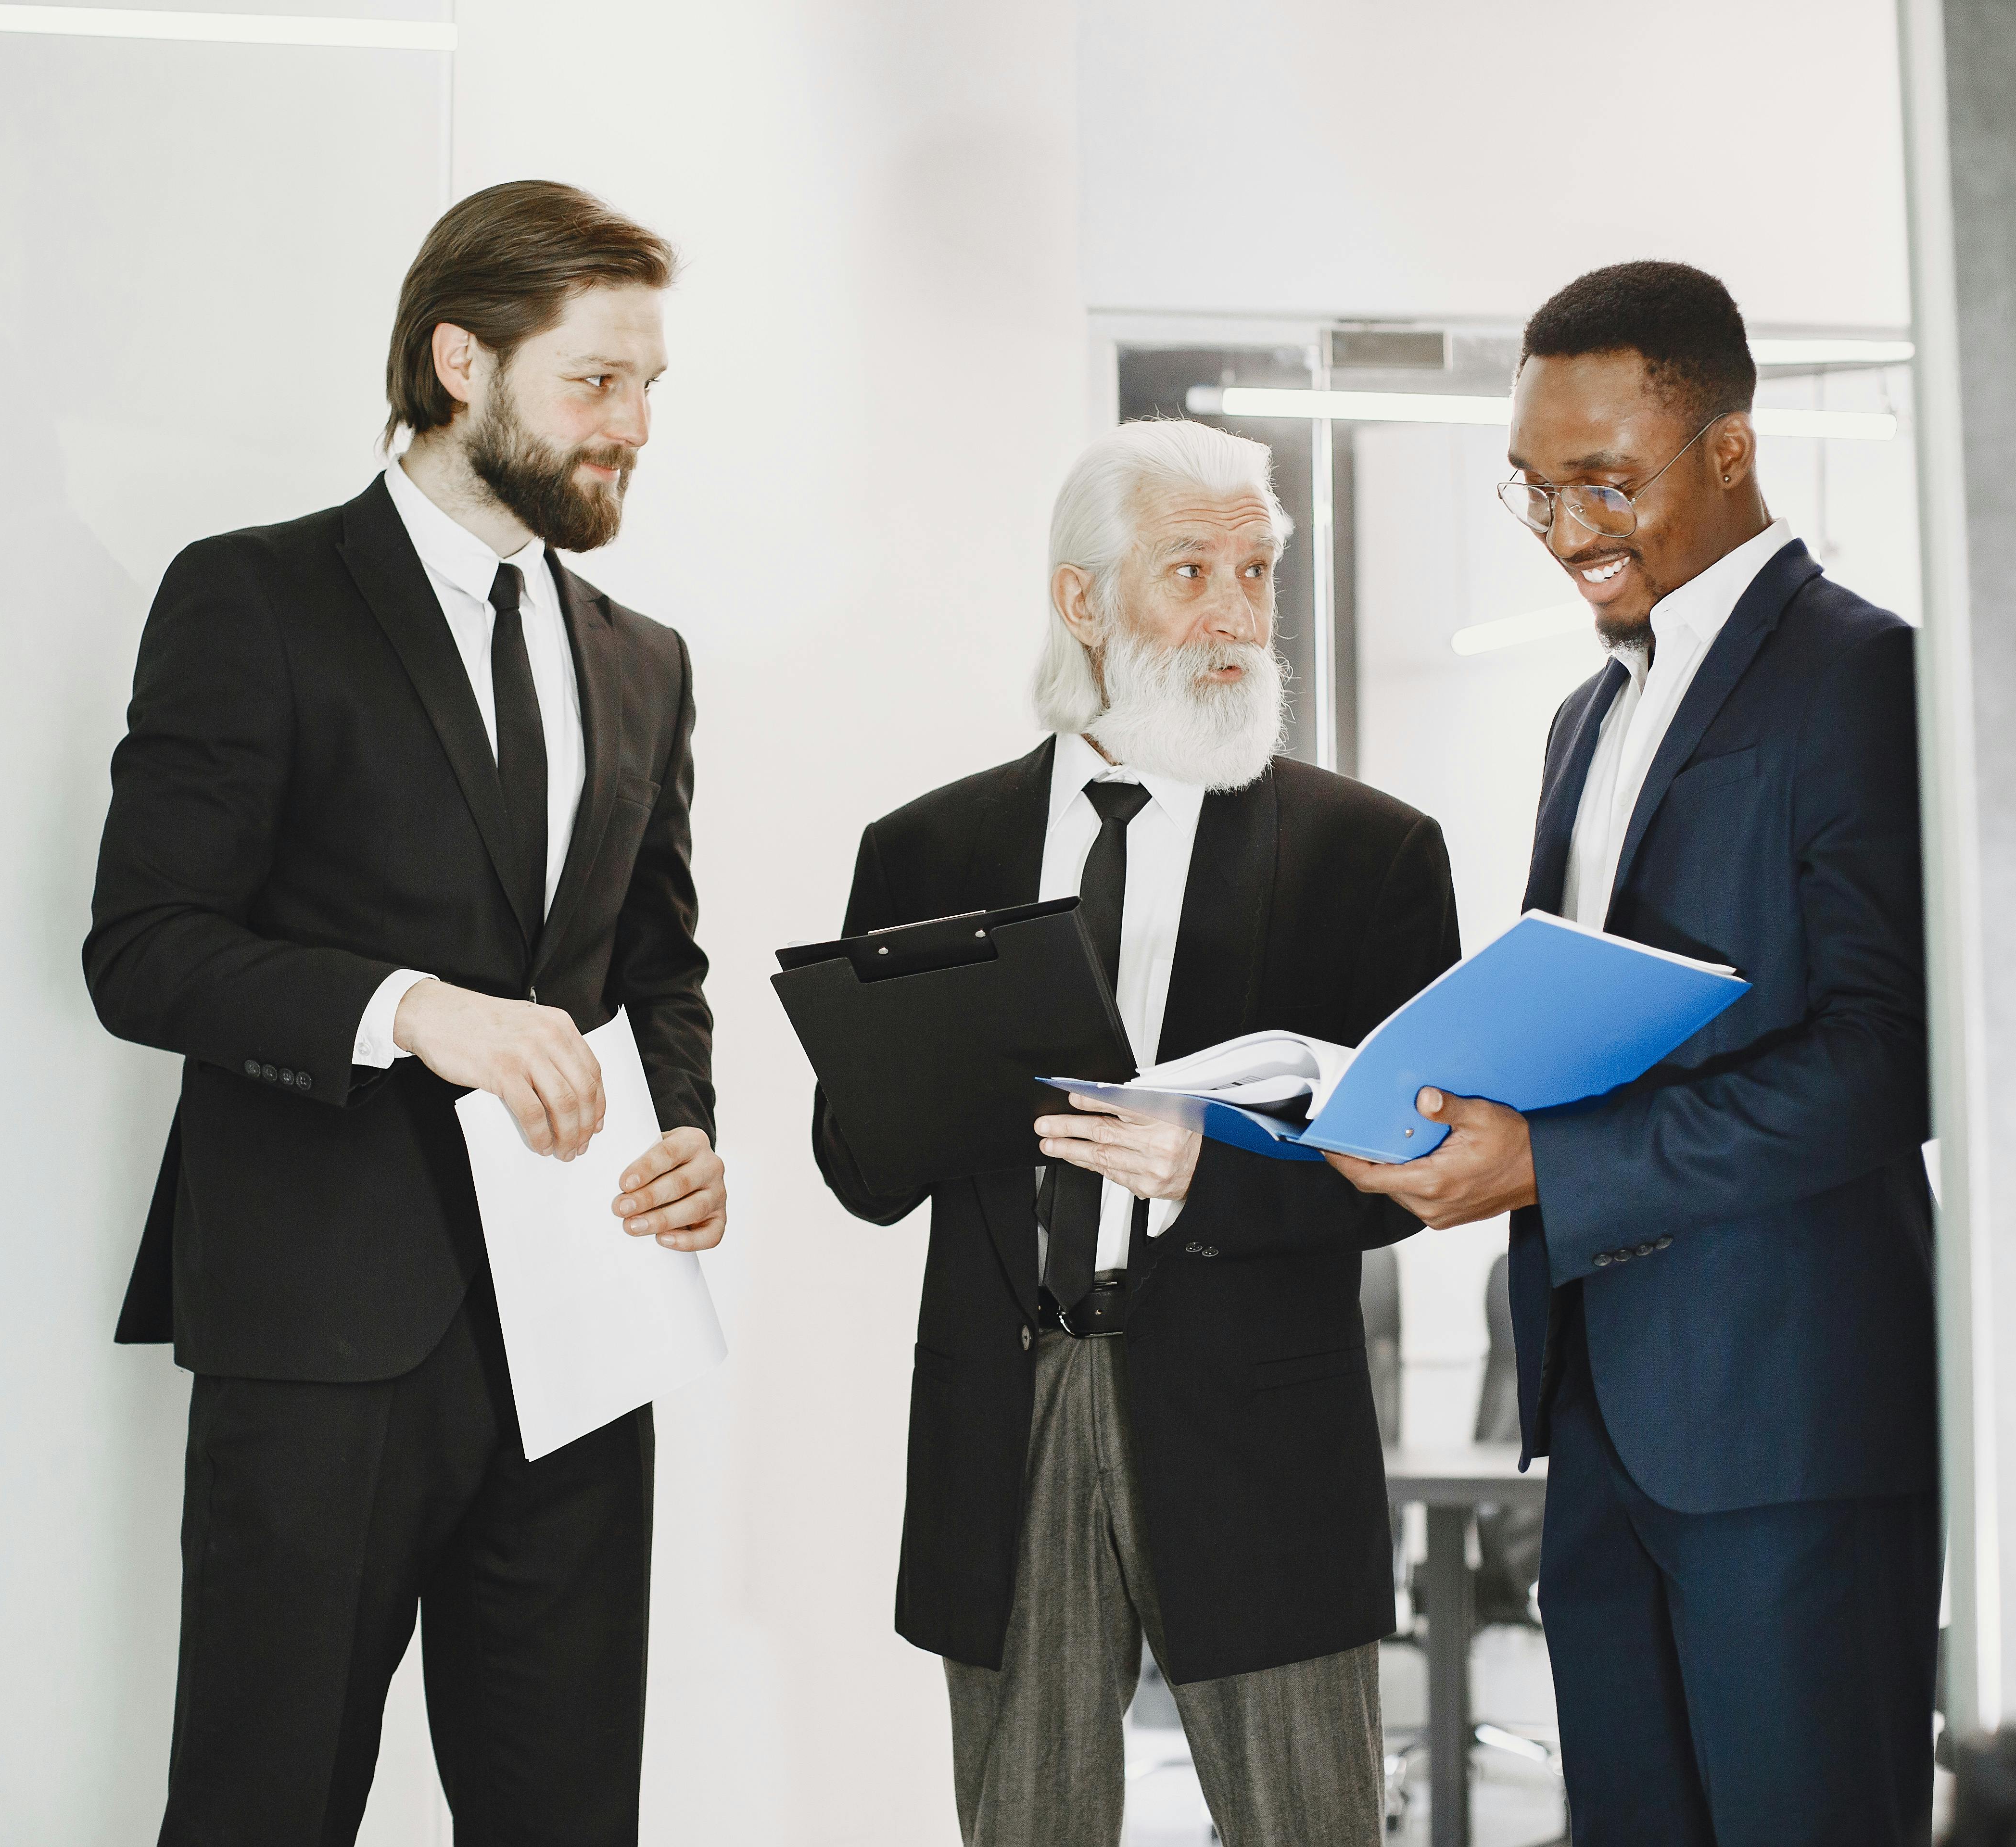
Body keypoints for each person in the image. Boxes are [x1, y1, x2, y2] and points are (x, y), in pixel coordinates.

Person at [83, 180, 722, 1846]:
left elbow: (658, 972)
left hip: (582, 1338)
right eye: (597, 382)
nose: (635, 425)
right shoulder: (254, 599)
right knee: (264, 1808)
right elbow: (143, 947)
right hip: (319, 1337)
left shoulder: (643, 658)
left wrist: (691, 1138)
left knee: (568, 1817)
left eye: (651, 385)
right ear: (460, 363)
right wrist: (408, 1008)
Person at [1325, 261, 1937, 1844]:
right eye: (1536, 490)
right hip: (1597, 1415)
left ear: (1730, 448)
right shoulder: (1585, 721)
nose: (1572, 529)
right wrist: (1441, 1112)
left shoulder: (1863, 676)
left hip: (1790, 1432)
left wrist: (1555, 1164)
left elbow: (1890, 1058)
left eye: (1609, 480)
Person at [811, 419, 1461, 1847]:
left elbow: (1415, 1176)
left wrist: (1213, 1173)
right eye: (1191, 572)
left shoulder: (1373, 855)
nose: (1236, 615)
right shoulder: (923, 852)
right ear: (1084, 601)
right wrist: (938, 1082)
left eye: (1256, 572)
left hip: (1261, 1436)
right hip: (1004, 1418)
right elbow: (859, 1170)